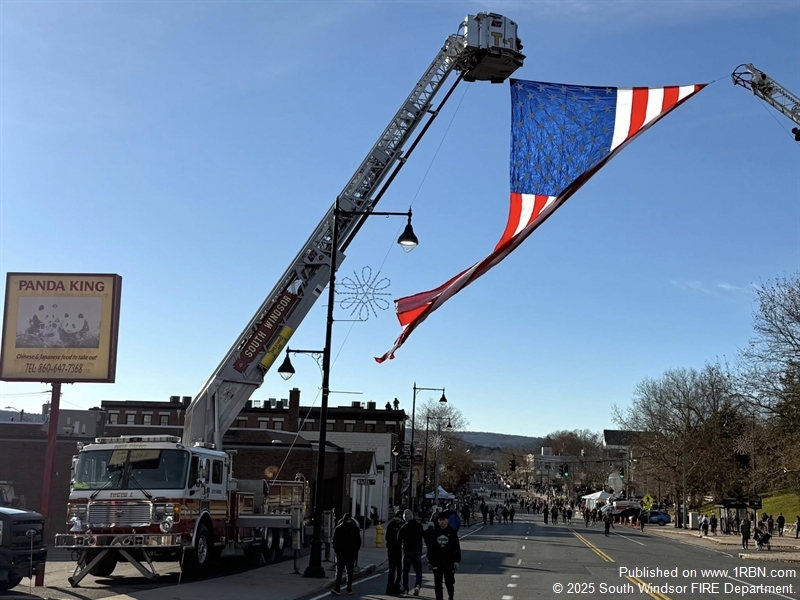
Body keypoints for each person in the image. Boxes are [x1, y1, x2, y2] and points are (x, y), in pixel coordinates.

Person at [427, 513, 462, 600]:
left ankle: (451, 597)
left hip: (449, 562)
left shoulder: (452, 532)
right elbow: (430, 548)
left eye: (443, 520)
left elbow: (456, 548)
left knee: (449, 583)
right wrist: (430, 561)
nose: (441, 522)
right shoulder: (435, 533)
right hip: (437, 562)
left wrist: (456, 561)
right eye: (440, 520)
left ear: (447, 520)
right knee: (438, 584)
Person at [331, 513, 361, 596]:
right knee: (340, 572)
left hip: (349, 554)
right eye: (348, 519)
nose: (349, 521)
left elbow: (358, 542)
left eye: (350, 519)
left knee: (348, 572)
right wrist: (337, 551)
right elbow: (334, 541)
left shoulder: (354, 529)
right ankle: (338, 588)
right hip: (342, 554)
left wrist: (354, 551)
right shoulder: (339, 529)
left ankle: (348, 587)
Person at [399, 509, 424, 596]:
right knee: (418, 570)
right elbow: (424, 535)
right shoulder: (419, 526)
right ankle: (417, 585)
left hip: (407, 551)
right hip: (417, 551)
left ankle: (405, 588)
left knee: (405, 571)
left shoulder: (404, 527)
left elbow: (398, 538)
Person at [385, 511, 404, 594]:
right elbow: (387, 537)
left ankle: (396, 586)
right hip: (392, 549)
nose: (399, 520)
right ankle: (390, 588)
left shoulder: (402, 525)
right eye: (398, 518)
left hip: (399, 550)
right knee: (392, 570)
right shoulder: (391, 525)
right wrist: (395, 542)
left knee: (399, 570)